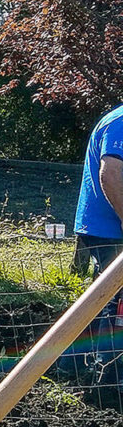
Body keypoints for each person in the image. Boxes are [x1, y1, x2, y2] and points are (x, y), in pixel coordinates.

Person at [73, 102, 123, 342]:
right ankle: (107, 368)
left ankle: (72, 364)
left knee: (99, 298)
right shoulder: (120, 121)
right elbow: (110, 173)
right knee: (114, 300)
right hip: (109, 228)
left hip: (110, 226)